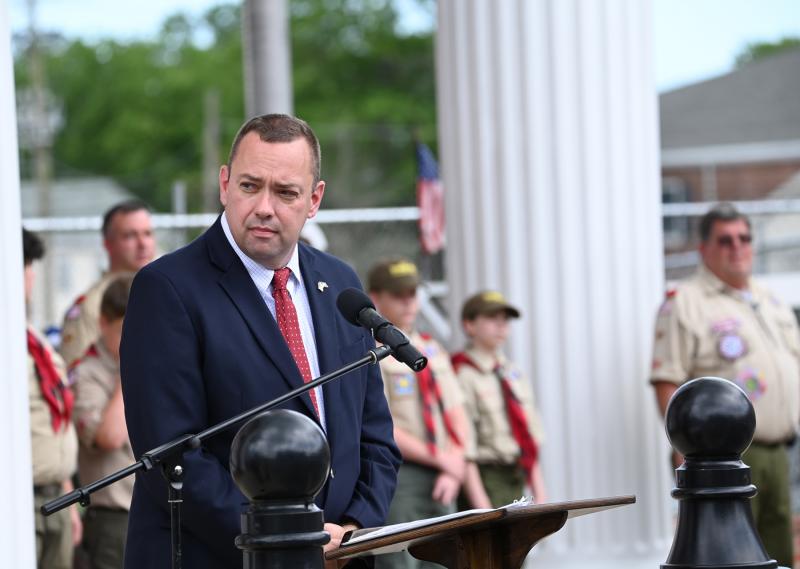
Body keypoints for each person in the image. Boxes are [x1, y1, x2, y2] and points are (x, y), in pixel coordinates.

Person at [120, 114, 400, 569]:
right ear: (224, 184)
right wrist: (292, 542)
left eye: (286, 192)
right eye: (250, 186)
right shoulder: (167, 288)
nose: (265, 207)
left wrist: (353, 529)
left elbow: (375, 437)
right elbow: (172, 459)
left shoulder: (340, 283)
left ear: (314, 199)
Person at [650, 203, 800, 567]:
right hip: (723, 459)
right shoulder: (685, 302)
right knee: (728, 558)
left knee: (778, 554)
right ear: (703, 248)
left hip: (780, 451)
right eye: (725, 240)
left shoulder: (770, 299)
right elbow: (667, 380)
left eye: (744, 238)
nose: (737, 247)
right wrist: (684, 451)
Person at [367, 258, 469, 569]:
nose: (409, 302)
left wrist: (454, 464)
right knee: (399, 562)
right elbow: (381, 424)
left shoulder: (431, 348)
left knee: (444, 560)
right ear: (375, 297)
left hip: (444, 474)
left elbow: (456, 410)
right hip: (401, 473)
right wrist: (443, 460)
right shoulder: (370, 352)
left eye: (413, 293)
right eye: (398, 294)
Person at [451, 291, 546, 509]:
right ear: (469, 325)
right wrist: (482, 506)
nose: (501, 325)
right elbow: (465, 447)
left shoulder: (512, 372)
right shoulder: (462, 374)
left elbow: (529, 436)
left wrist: (540, 494)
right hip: (484, 479)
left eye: (505, 319)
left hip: (516, 476)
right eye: (492, 318)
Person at [24, 228, 82, 569]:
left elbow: (54, 419)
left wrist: (67, 493)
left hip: (56, 495)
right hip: (21, 498)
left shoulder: (33, 338)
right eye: (25, 266)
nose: (30, 277)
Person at [72, 274, 135, 569]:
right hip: (113, 519)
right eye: (126, 331)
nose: (135, 340)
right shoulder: (87, 373)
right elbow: (109, 437)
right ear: (103, 324)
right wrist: (127, 376)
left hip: (153, 509)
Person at [59, 200, 155, 368]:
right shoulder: (91, 305)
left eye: (147, 234)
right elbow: (78, 372)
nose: (142, 244)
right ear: (107, 244)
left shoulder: (167, 290)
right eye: (130, 235)